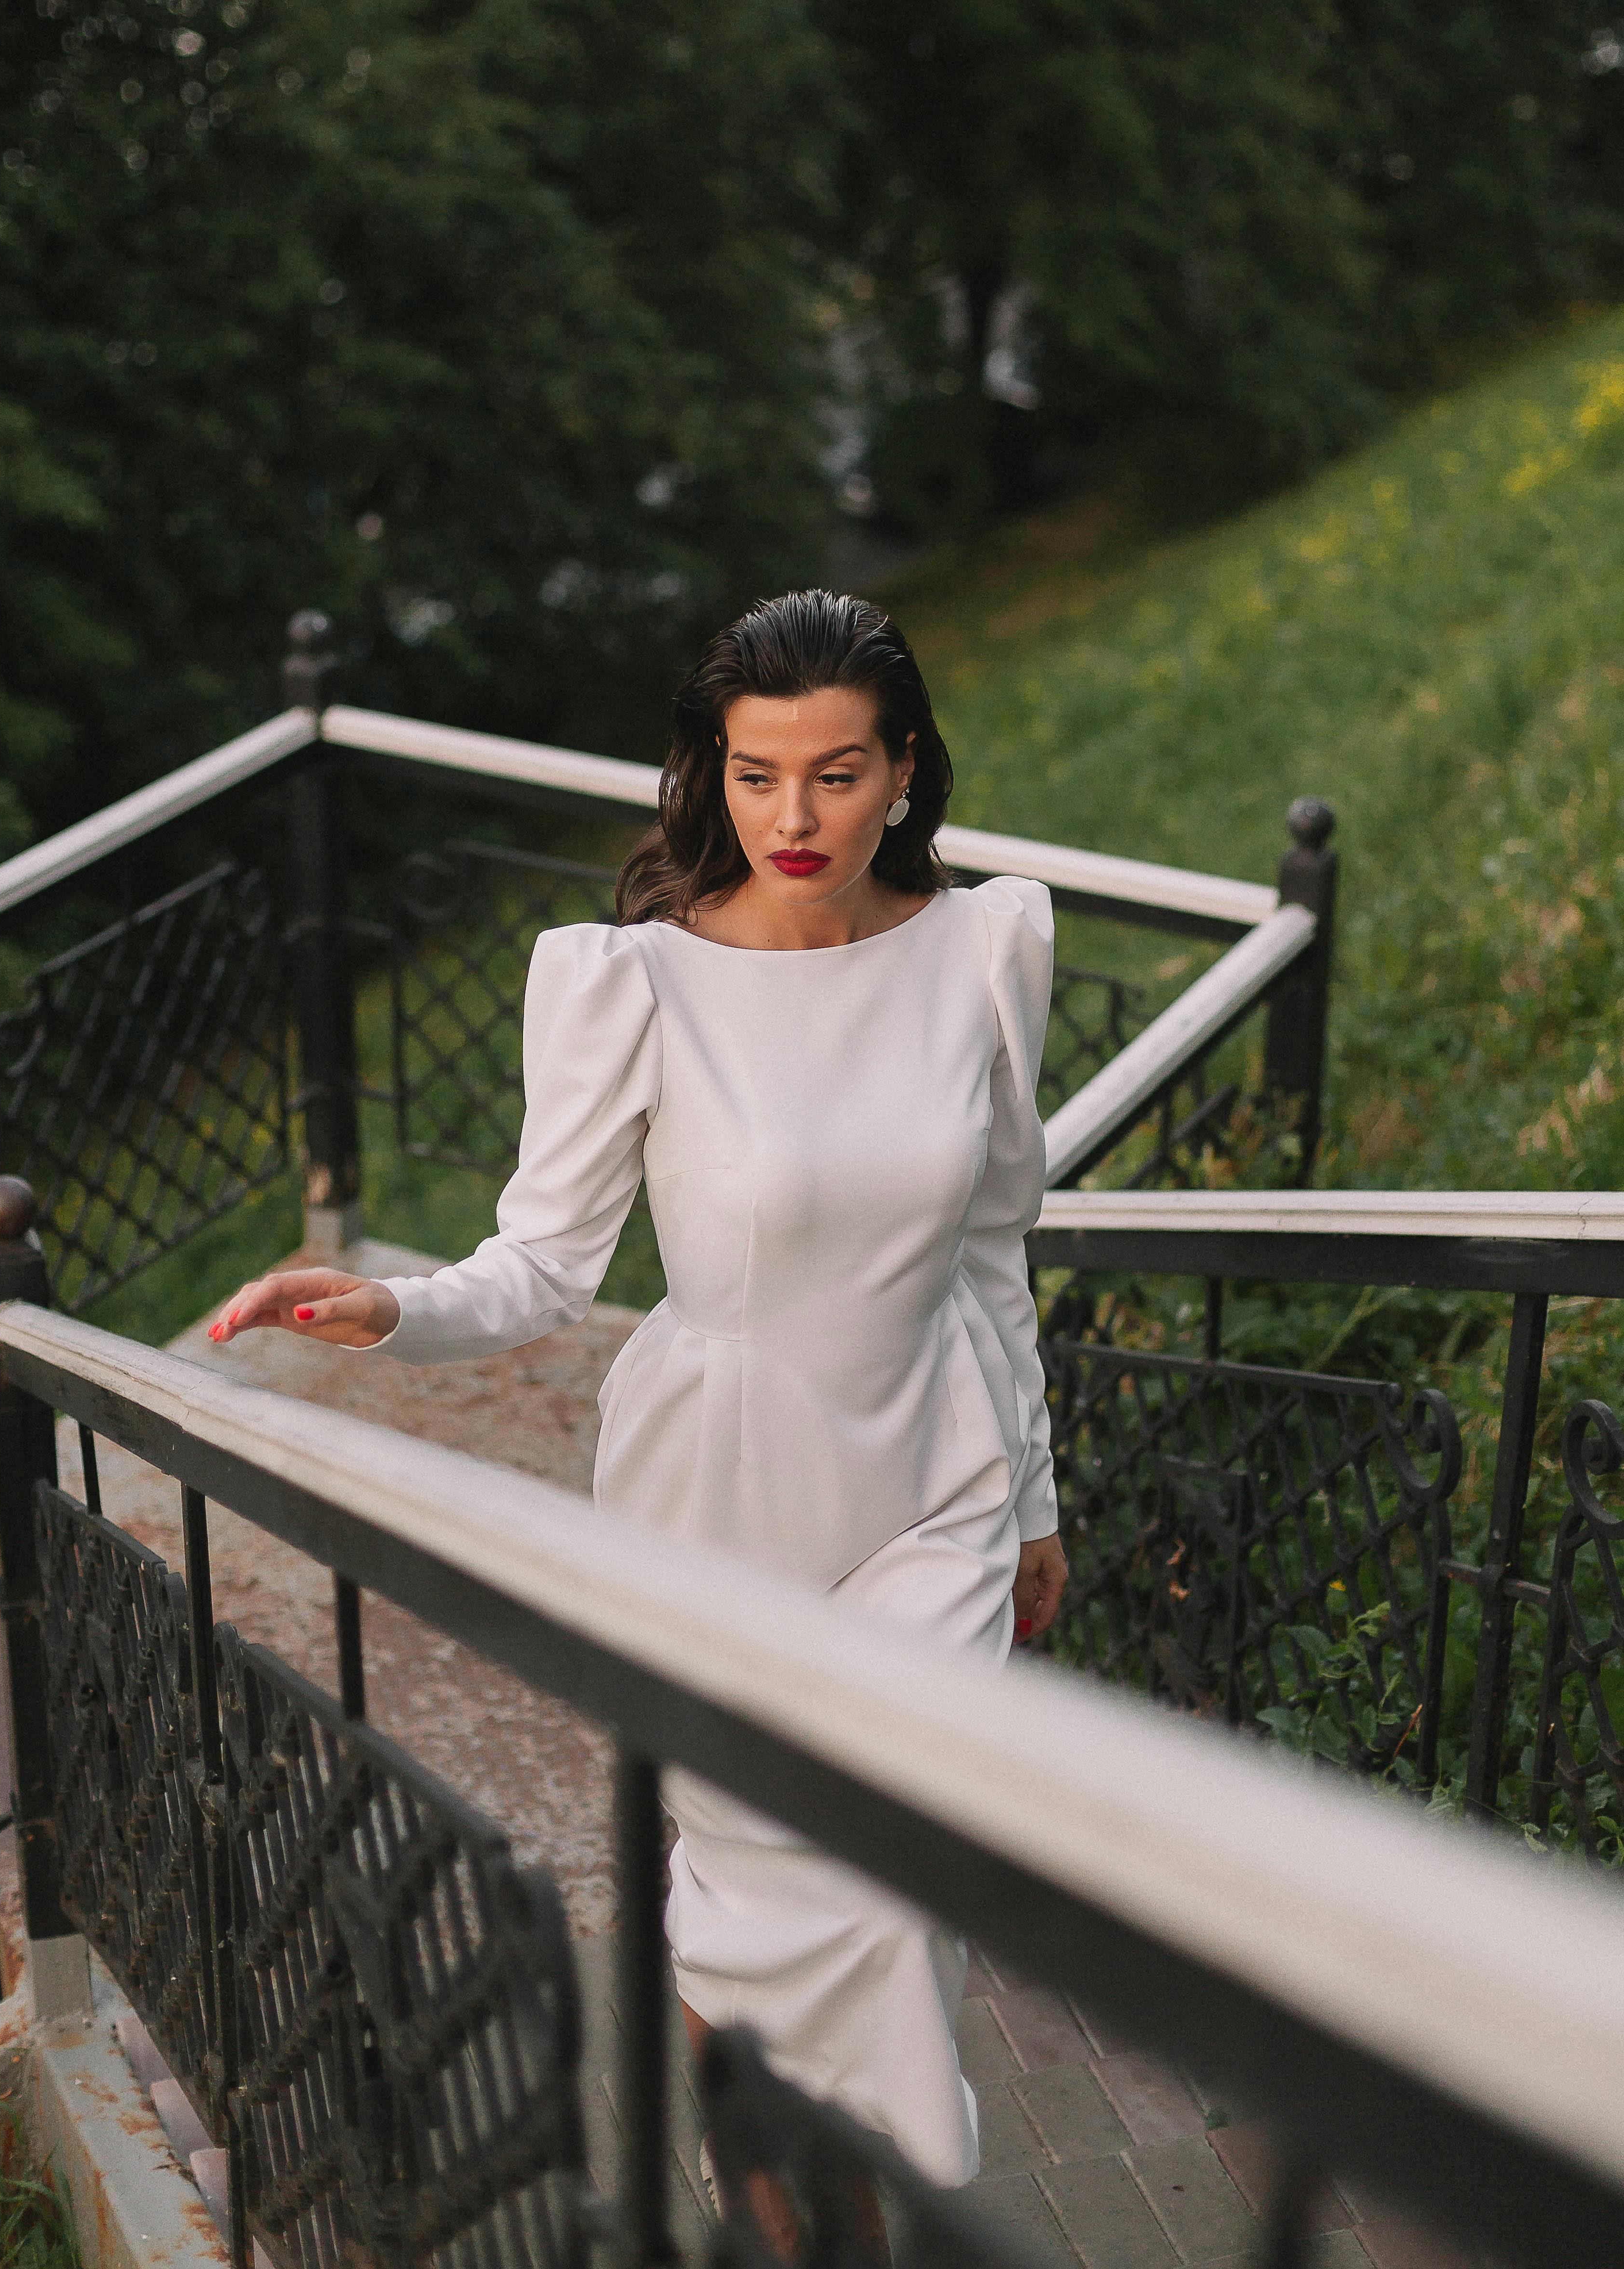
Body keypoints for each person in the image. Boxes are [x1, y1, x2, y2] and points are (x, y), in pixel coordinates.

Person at [211, 587, 1068, 2189]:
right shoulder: (635, 982)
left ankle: (905, 2212)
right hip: (717, 1500)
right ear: (710, 774)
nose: (794, 816)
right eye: (756, 775)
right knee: (756, 1899)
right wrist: (391, 1305)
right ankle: (768, 2195)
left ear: (904, 773)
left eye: (836, 772)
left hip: (934, 1499)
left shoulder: (987, 946)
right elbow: (542, 1266)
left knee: (888, 1891)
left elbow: (992, 1249)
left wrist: (1029, 1496)